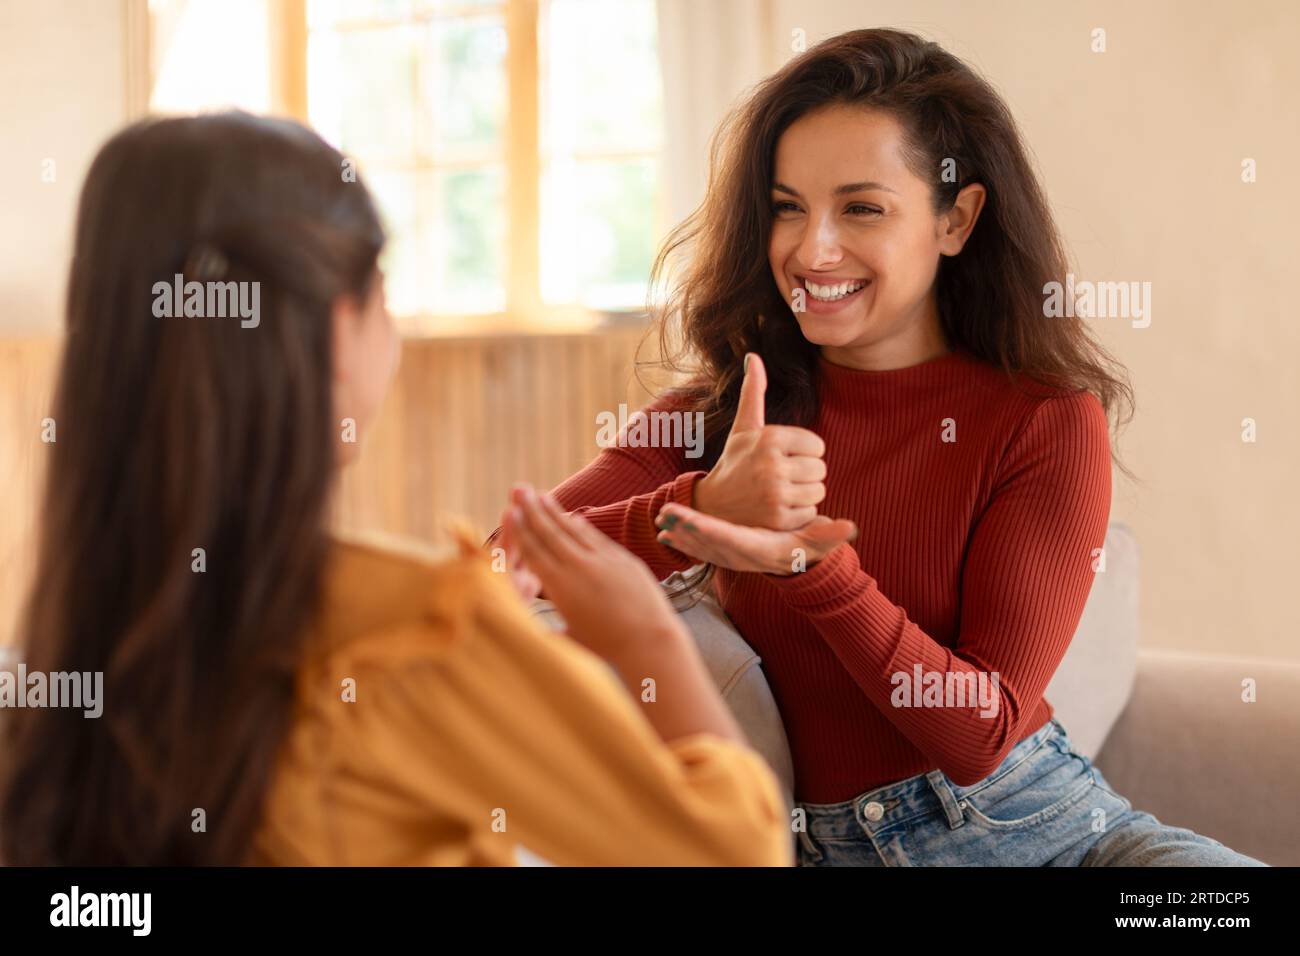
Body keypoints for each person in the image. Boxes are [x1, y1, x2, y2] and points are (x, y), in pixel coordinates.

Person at [504, 28, 1266, 866]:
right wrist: (696, 508)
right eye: (788, 206)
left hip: (1043, 833)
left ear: (957, 218)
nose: (811, 249)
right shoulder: (722, 417)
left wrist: (814, 569)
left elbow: (981, 736)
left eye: (860, 208)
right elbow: (498, 565)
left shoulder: (1045, 420)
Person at [0, 112, 792, 867]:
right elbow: (732, 850)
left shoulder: (64, 657)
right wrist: (644, 635)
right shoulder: (424, 631)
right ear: (338, 333)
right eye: (382, 295)